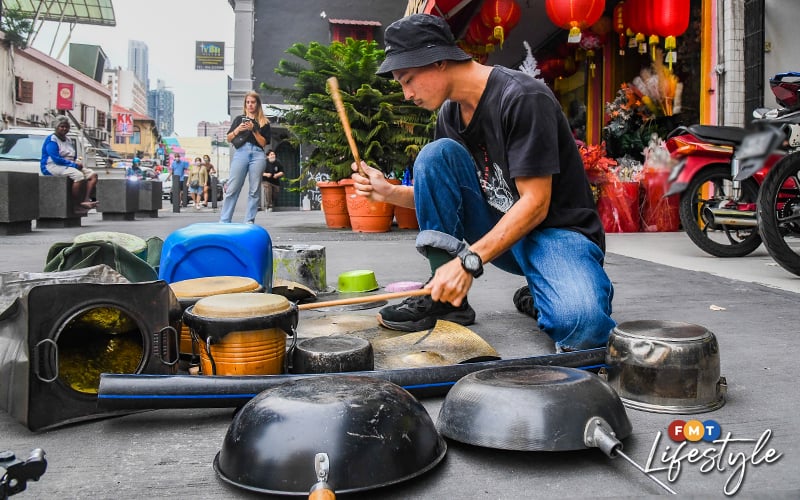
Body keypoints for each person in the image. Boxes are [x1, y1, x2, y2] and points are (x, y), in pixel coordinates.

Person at [351, 14, 615, 352]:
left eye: (408, 79)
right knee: (435, 156)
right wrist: (388, 192)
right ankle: (448, 300)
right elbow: (444, 192)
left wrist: (468, 261)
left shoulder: (521, 97)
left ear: (439, 60)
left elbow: (536, 203)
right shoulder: (450, 114)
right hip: (505, 233)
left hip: (556, 232)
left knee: (583, 327)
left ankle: (567, 286)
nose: (406, 94)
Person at [221, 90, 270, 224]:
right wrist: (239, 129)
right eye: (248, 102)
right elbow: (229, 138)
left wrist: (253, 130)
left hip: (257, 154)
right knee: (232, 188)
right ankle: (224, 220)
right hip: (241, 152)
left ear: (257, 104)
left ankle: (249, 220)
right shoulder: (239, 119)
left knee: (254, 190)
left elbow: (263, 143)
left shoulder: (264, 122)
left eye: (253, 102)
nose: (250, 105)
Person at [40, 115, 98, 212]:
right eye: (62, 126)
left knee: (92, 175)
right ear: (56, 127)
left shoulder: (69, 140)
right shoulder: (52, 139)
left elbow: (73, 156)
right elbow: (56, 158)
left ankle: (86, 200)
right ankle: (76, 204)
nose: (64, 129)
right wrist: (74, 165)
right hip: (52, 166)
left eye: (66, 127)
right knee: (78, 176)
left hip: (68, 165)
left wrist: (76, 163)